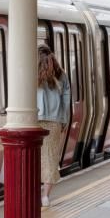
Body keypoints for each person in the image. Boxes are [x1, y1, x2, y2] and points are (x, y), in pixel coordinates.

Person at [37, 45, 70, 208]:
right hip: (55, 122)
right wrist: (64, 121)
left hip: (33, 120)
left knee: (35, 158)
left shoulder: (32, 74)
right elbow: (66, 100)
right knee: (51, 159)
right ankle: (45, 197)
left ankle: (35, 193)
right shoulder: (61, 75)